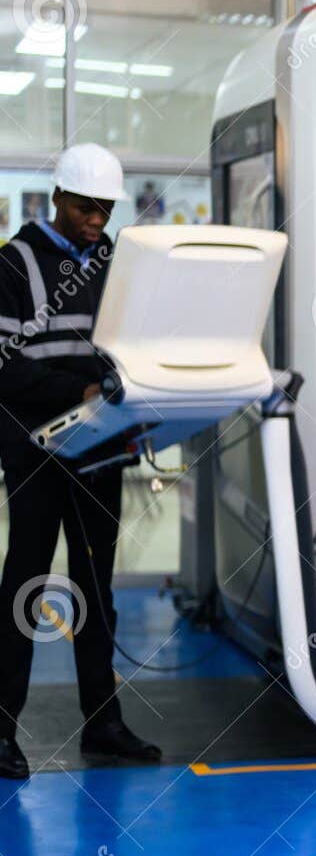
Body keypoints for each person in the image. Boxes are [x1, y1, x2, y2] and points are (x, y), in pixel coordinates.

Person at [0, 142, 161, 781]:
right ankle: (1, 731)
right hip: (35, 452)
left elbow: (125, 349)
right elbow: (6, 370)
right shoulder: (12, 265)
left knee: (96, 589)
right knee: (26, 586)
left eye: (105, 209)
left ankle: (104, 724)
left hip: (99, 450)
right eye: (85, 208)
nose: (97, 220)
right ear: (57, 198)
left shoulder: (113, 263)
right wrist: (83, 388)